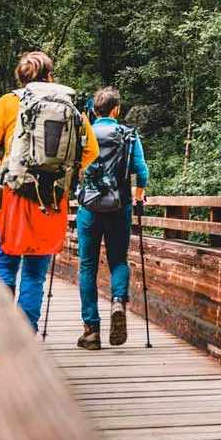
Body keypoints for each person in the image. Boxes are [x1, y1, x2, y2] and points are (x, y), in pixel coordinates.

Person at [0, 52, 96, 324]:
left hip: (11, 195)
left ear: (20, 79)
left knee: (5, 265)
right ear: (51, 77)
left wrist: (2, 174)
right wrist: (66, 176)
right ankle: (27, 337)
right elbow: (91, 150)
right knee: (34, 273)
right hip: (52, 199)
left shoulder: (9, 102)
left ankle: (1, 329)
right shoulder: (69, 106)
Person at [77, 86, 149, 350]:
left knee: (88, 266)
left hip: (90, 208)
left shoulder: (84, 134)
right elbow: (142, 172)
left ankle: (91, 332)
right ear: (116, 110)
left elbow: (73, 168)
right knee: (118, 260)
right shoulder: (128, 135)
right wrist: (139, 195)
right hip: (120, 206)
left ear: (94, 110)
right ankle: (118, 301)